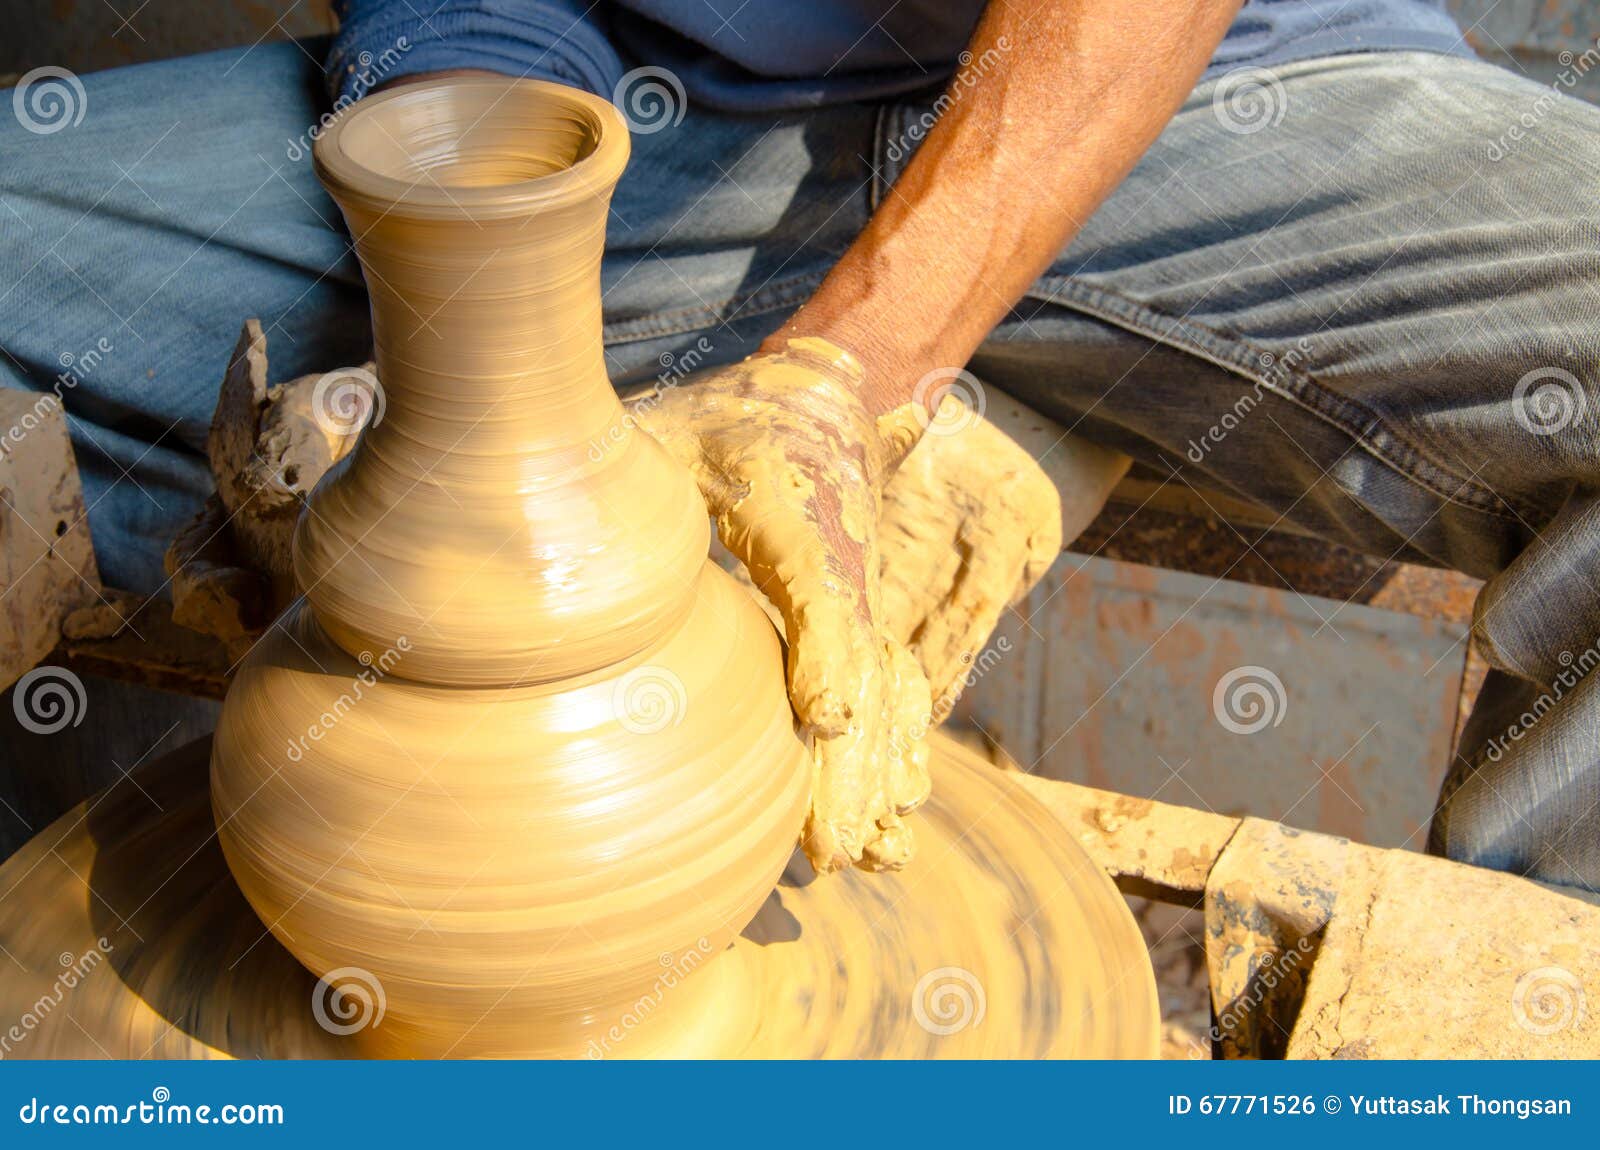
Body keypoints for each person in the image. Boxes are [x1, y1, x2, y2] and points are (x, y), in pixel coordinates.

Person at [3, 0, 1597, 885]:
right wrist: (473, 319)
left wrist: (849, 375)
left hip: (1212, 105)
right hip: (667, 121)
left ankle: (1528, 1033)